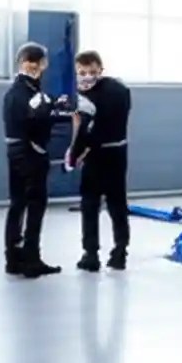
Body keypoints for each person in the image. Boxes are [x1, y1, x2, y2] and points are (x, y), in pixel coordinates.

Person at [66, 51, 132, 272]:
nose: (86, 77)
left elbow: (84, 131)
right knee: (118, 204)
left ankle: (91, 254)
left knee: (90, 204)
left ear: (100, 70)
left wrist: (73, 157)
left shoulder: (86, 98)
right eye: (82, 73)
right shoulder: (122, 89)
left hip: (96, 154)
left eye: (90, 72)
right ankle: (120, 251)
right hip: (119, 151)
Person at [2, 42, 62, 278]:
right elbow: (34, 123)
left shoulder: (14, 91)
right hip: (30, 153)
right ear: (41, 63)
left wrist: (51, 106)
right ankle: (31, 259)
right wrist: (51, 113)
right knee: (36, 205)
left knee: (17, 205)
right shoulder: (29, 93)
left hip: (14, 151)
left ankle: (13, 258)